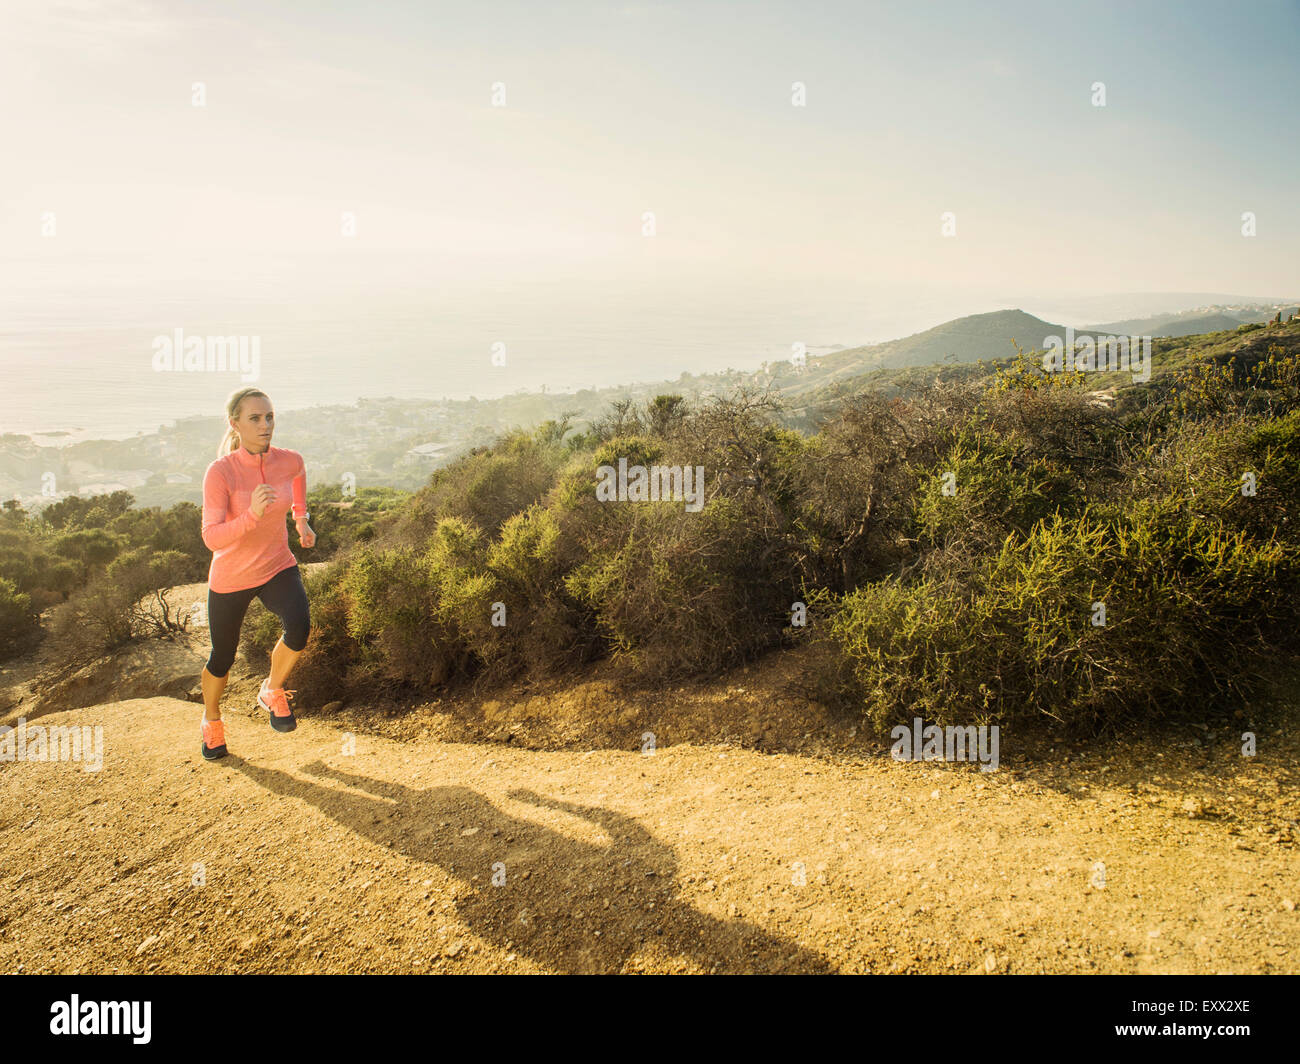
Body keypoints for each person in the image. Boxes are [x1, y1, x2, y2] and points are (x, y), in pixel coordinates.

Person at [198, 387, 315, 760]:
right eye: (255, 418)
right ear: (235, 424)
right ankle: (211, 721)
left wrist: (301, 520)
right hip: (231, 575)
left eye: (269, 417)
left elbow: (298, 478)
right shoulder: (221, 473)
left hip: (276, 564)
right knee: (223, 657)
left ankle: (272, 689)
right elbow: (211, 537)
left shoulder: (288, 459)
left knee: (299, 627)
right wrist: (252, 516)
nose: (265, 425)